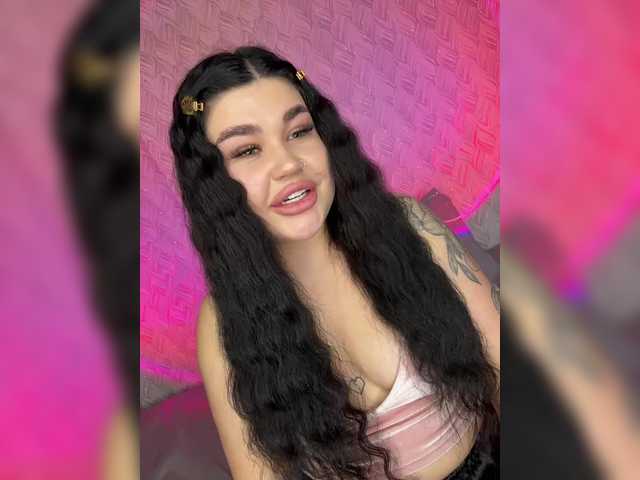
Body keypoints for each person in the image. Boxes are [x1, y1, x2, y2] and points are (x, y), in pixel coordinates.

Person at [169, 45, 500, 480]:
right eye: (247, 150)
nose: (288, 164)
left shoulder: (410, 225)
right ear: (213, 184)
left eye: (299, 131)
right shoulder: (222, 322)